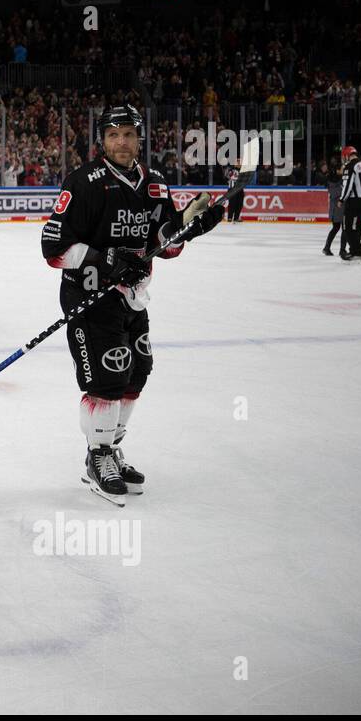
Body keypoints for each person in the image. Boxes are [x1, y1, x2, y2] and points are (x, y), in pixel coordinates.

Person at [40, 104, 223, 507]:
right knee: (108, 377)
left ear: (139, 137)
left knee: (137, 369)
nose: (121, 142)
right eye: (113, 135)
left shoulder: (154, 182)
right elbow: (52, 248)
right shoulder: (84, 182)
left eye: (128, 134)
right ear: (102, 140)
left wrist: (192, 228)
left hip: (133, 297)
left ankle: (111, 448)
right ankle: (97, 455)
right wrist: (106, 259)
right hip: (90, 298)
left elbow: (166, 244)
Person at [322, 150, 349, 256]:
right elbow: (337, 194)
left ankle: (328, 248)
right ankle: (340, 249)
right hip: (337, 207)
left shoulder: (337, 180)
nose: (343, 171)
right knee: (342, 227)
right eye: (341, 169)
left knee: (338, 228)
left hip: (337, 207)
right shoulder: (334, 182)